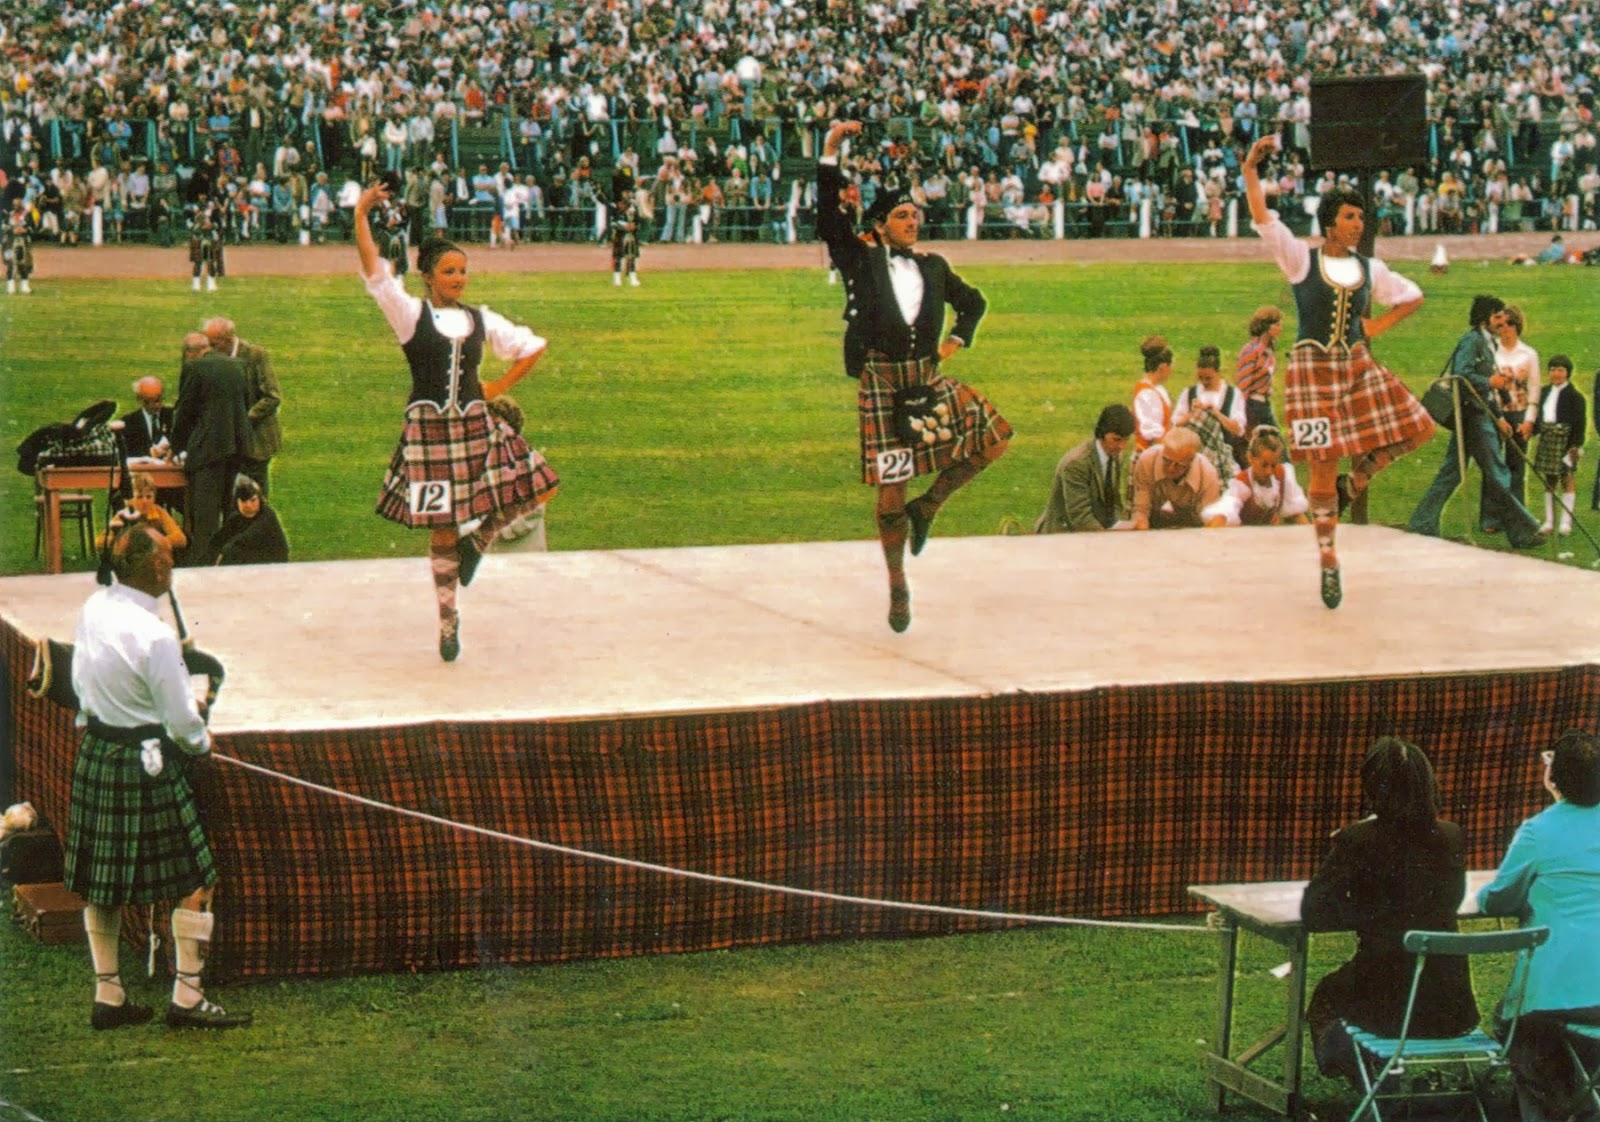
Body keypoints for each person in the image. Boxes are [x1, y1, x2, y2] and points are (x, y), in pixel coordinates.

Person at [816, 120, 1011, 633]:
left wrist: (956, 340)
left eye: (916, 215)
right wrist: (832, 152)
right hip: (882, 384)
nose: (912, 223)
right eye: (902, 216)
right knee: (890, 492)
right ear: (879, 224)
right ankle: (898, 584)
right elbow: (829, 220)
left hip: (926, 378)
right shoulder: (861, 260)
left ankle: (931, 507)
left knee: (995, 439)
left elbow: (975, 302)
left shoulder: (934, 265)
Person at [354, 180, 559, 661]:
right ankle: (448, 622)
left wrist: (495, 389)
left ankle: (482, 537)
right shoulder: (409, 315)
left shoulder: (481, 319)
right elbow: (376, 274)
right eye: (450, 271)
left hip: (475, 428)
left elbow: (533, 347)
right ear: (428, 276)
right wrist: (361, 214)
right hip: (429, 434)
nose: (459, 279)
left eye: (463, 271)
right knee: (442, 530)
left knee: (540, 483)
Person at [65, 523, 251, 1030]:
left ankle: (109, 995)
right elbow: (181, 723)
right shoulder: (156, 635)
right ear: (158, 570)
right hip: (146, 761)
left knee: (101, 884)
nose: (173, 563)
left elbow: (81, 679)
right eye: (168, 557)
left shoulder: (94, 607)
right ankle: (187, 999)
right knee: (197, 879)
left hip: (100, 748)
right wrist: (203, 741)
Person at [1242, 134, 1434, 610]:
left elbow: (1413, 296)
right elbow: (1264, 218)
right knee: (1321, 476)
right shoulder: (1301, 259)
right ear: (1329, 223)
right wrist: (1251, 170)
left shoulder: (1371, 268)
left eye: (1361, 217)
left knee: (1418, 426)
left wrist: (1373, 325)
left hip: (1355, 367)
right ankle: (1328, 560)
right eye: (1350, 217)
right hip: (1312, 374)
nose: (1358, 224)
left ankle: (1361, 478)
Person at [1302, 738, 1479, 1083]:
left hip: (1385, 1003)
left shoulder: (1357, 840)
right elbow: (1447, 900)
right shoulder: (1452, 836)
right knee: (1342, 990)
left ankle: (1376, 1085)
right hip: (1451, 1005)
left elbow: (1315, 912)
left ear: (1372, 787)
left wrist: (1365, 909)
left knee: (1327, 995)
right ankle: (1384, 1083)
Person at [1478, 730, 1600, 1121]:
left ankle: (1555, 1105)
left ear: (1552, 777)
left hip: (1556, 993)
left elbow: (1497, 900)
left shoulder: (1538, 831)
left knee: (1520, 1028)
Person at [1408, 295, 1546, 551]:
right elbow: (1461, 374)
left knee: (1452, 472)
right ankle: (1523, 531)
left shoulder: (1487, 342)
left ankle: (1422, 522)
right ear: (1485, 317)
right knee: (1497, 472)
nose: (1501, 321)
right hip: (1472, 415)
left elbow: (1486, 389)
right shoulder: (1472, 341)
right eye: (1497, 316)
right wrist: (1489, 383)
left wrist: (1498, 417)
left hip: (1479, 413)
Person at [170, 332, 252, 565]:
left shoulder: (195, 368)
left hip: (208, 450)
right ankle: (232, 560)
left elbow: (185, 412)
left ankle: (202, 563)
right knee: (231, 509)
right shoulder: (237, 365)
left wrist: (177, 447)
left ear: (190, 352)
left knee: (205, 515)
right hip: (237, 446)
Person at [202, 317, 282, 498]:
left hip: (255, 443)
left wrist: (243, 420)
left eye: (214, 344)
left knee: (255, 497)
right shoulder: (214, 359)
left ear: (227, 339)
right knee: (230, 497)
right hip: (227, 445)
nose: (210, 349)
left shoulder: (255, 355)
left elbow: (272, 396)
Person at [1034, 404, 1134, 533]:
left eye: (1126, 440)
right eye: (1116, 440)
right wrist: (1108, 540)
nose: (1122, 446)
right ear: (1102, 433)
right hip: (1061, 535)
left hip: (1092, 531)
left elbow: (1114, 502)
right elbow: (1080, 516)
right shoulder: (1076, 464)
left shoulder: (1115, 456)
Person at [1487, 304, 1540, 532]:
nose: (1504, 329)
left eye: (1509, 324)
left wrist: (1529, 420)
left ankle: (1517, 516)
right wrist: (1496, 416)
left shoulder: (1528, 354)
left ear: (1517, 325)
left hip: (1519, 412)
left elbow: (1535, 389)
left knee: (1516, 466)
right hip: (1494, 412)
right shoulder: (1491, 351)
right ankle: (1490, 518)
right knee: (1492, 464)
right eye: (1499, 325)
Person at [1202, 426, 1311, 527]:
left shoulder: (1283, 474)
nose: (1269, 471)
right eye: (1264, 465)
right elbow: (1223, 514)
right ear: (1250, 458)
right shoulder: (1241, 484)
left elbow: (1296, 514)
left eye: (1273, 465)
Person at [1171, 345, 1249, 478]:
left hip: (1224, 459)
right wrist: (1192, 415)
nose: (1204, 382)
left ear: (1218, 372)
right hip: (1193, 460)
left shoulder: (1232, 394)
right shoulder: (1189, 393)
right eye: (1201, 378)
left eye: (1208, 378)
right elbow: (1175, 424)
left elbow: (1238, 430)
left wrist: (1217, 414)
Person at [1533, 355, 1588, 536]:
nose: (1556, 374)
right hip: (1548, 439)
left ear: (1567, 374)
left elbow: (1580, 423)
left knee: (1567, 479)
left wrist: (1576, 446)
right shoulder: (1544, 392)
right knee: (1549, 480)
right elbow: (1537, 417)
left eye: (1560, 370)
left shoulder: (1575, 397)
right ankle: (1549, 521)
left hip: (1566, 442)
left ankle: (1565, 523)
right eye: (1553, 369)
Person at [1129, 427, 1221, 530]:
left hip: (1194, 525)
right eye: (1167, 460)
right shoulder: (1147, 461)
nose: (1171, 468)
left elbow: (1210, 521)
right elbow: (1141, 510)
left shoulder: (1208, 474)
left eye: (1179, 464)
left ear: (1191, 462)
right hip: (1155, 520)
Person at [98, 471, 187, 553]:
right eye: (139, 497)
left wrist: (156, 542)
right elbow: (100, 542)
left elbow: (180, 538)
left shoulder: (159, 512)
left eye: (149, 497)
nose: (145, 501)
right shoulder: (124, 515)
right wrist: (119, 542)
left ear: (154, 497)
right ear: (129, 499)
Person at [213, 476, 289, 565]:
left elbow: (249, 536)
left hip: (273, 562)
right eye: (243, 501)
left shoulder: (267, 516)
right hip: (253, 554)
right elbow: (219, 538)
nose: (248, 505)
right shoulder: (236, 516)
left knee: (233, 552)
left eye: (253, 500)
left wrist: (224, 551)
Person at [1236, 306, 1283, 433]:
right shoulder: (1251, 351)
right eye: (1277, 325)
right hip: (1253, 406)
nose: (1281, 329)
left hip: (1265, 405)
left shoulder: (1268, 351)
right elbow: (1243, 384)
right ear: (1267, 327)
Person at [1130, 335, 1174, 454]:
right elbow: (1153, 436)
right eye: (1170, 366)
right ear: (1163, 367)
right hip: (1149, 455)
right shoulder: (1146, 394)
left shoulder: (1157, 389)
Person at [119, 376, 174, 461]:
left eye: (158, 400)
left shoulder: (173, 416)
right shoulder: (128, 422)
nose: (156, 405)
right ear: (139, 399)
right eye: (149, 401)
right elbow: (126, 454)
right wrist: (149, 453)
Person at [608, 172, 641, 287]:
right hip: (620, 234)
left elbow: (637, 219)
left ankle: (632, 275)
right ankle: (617, 277)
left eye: (629, 192)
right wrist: (624, 226)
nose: (628, 194)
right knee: (618, 256)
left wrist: (634, 226)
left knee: (632, 256)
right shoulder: (615, 206)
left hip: (632, 235)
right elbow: (612, 222)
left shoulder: (634, 205)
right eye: (626, 192)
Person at [4, 196, 36, 294]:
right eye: (15, 204)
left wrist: (25, 230)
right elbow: (3, 227)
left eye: (18, 204)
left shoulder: (27, 215)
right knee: (10, 263)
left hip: (24, 242)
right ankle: (10, 286)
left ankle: (24, 286)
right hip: (10, 242)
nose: (16, 206)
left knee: (24, 263)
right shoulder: (8, 215)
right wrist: (12, 230)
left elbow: (33, 228)